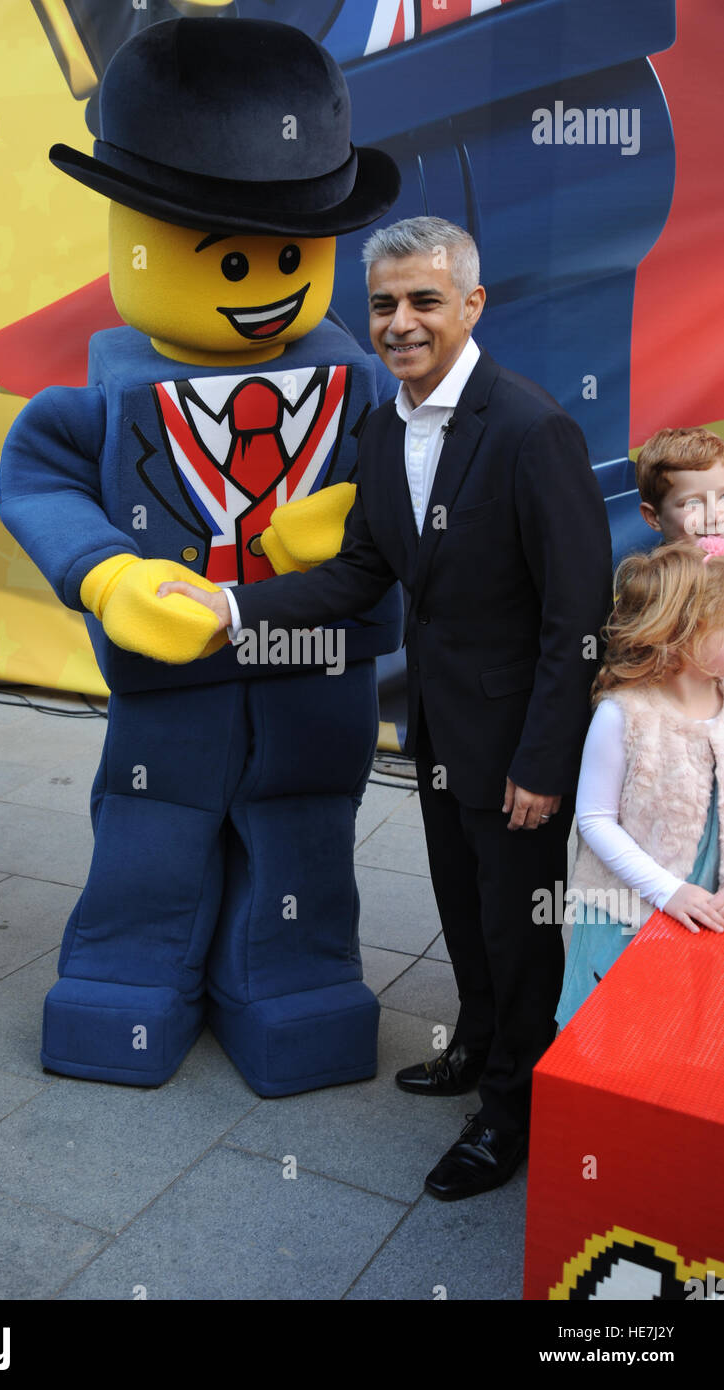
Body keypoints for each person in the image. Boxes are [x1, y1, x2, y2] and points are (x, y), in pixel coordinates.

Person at [159, 214, 613, 1200]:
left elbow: (577, 613)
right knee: (463, 910)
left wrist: (543, 762)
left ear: (471, 305)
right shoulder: (381, 425)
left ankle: (509, 1113)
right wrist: (232, 604)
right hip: (438, 733)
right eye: (383, 304)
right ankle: (479, 1046)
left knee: (519, 929)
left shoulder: (534, 428)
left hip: (514, 746)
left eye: (424, 301)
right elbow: (361, 570)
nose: (401, 322)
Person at [557, 542, 724, 1025]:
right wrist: (667, 891)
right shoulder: (624, 714)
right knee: (620, 1033)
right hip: (628, 914)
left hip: (707, 911)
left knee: (687, 1037)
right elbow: (594, 820)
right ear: (680, 635)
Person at [636, 426, 724, 546]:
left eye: (723, 497)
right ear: (653, 517)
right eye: (693, 503)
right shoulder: (656, 565)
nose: (715, 517)